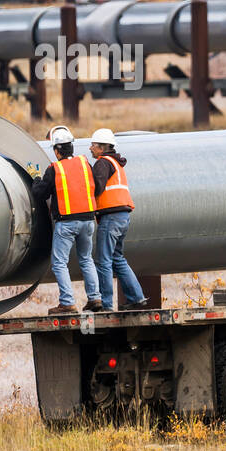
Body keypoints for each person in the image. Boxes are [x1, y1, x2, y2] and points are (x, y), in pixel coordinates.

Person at [30, 126, 103, 314]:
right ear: (71, 146)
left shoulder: (55, 169)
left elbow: (40, 193)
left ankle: (67, 302)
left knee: (59, 263)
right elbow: (96, 187)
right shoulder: (84, 163)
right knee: (86, 259)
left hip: (67, 222)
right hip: (88, 221)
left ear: (56, 150)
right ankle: (95, 299)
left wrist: (36, 178)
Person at [88, 128, 149, 311]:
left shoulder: (102, 163)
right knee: (118, 258)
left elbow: (96, 188)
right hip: (123, 217)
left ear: (102, 147)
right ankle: (136, 298)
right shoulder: (117, 164)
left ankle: (106, 305)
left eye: (93, 145)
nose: (90, 148)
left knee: (104, 261)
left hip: (111, 217)